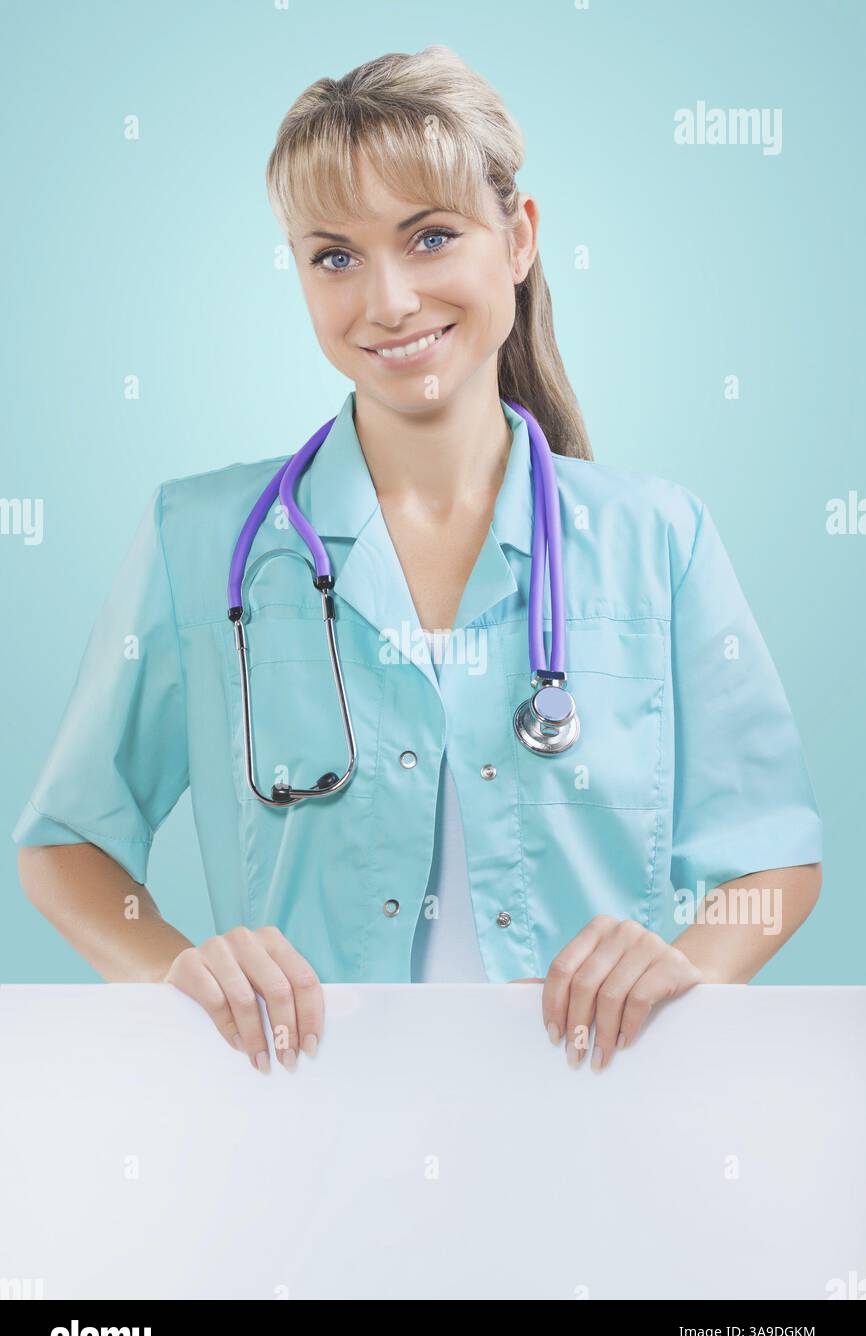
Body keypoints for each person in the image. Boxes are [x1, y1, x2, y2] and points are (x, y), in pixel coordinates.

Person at [13, 46, 822, 1077]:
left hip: (599, 1125)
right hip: (299, 1132)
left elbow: (770, 854)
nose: (388, 300)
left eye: (430, 236)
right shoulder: (200, 539)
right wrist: (177, 972)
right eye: (333, 257)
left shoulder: (657, 539)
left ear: (517, 239)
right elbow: (65, 843)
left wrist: (677, 966)